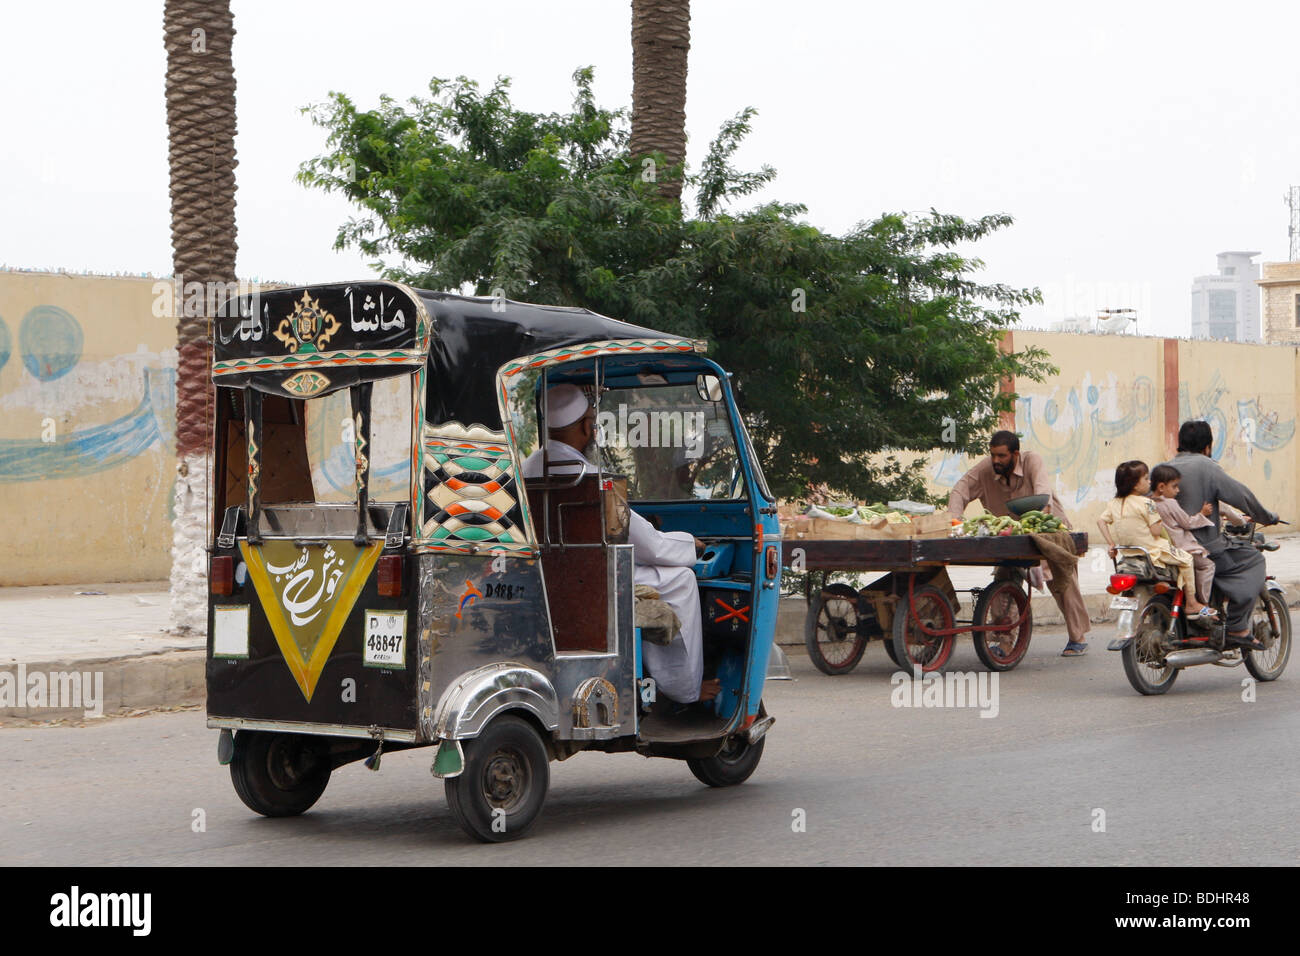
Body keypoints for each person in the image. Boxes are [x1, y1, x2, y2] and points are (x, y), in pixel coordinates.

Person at [521, 384, 720, 704]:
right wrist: (689, 545)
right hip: (595, 583)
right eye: (593, 422)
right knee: (682, 579)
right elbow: (650, 546)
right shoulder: (590, 478)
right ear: (587, 427)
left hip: (542, 579)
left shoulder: (525, 470)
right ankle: (684, 690)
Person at [948, 429, 1092, 656]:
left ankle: (1077, 637)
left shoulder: (1032, 461)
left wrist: (1041, 516)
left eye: (1001, 456)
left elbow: (1043, 492)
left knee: (1063, 581)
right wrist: (954, 522)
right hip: (1010, 534)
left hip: (1047, 530)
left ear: (1015, 454)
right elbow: (960, 489)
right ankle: (1004, 641)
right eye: (993, 455)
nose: (996, 460)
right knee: (1002, 580)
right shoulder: (986, 468)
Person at [1158, 420, 1279, 651]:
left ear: (1180, 443)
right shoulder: (1208, 467)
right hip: (1203, 548)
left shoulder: (1161, 468)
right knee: (1253, 560)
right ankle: (1237, 628)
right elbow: (1241, 495)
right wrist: (1267, 516)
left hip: (1166, 548)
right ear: (1207, 447)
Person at [1096, 461, 1216, 620]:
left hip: (1129, 552)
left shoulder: (1114, 503)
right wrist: (1157, 523)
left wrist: (1111, 543)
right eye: (1145, 479)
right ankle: (1192, 603)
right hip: (1153, 550)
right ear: (1135, 485)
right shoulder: (1147, 503)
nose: (1149, 482)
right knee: (1187, 559)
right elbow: (1156, 531)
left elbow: (1101, 521)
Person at [1148, 463, 1219, 603]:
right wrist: (1202, 513)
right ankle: (1203, 601)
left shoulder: (1149, 503)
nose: (1178, 490)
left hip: (1164, 548)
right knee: (1207, 565)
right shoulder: (1170, 503)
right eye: (1174, 486)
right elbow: (1187, 522)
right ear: (1161, 487)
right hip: (1182, 548)